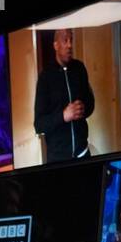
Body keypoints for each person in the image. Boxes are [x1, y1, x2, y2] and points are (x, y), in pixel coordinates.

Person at [33, 29, 96, 162]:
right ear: (55, 45)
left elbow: (91, 103)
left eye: (71, 40)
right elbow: (39, 125)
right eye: (65, 40)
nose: (70, 45)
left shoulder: (79, 68)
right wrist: (64, 116)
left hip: (83, 153)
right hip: (58, 159)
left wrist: (83, 108)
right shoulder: (45, 77)